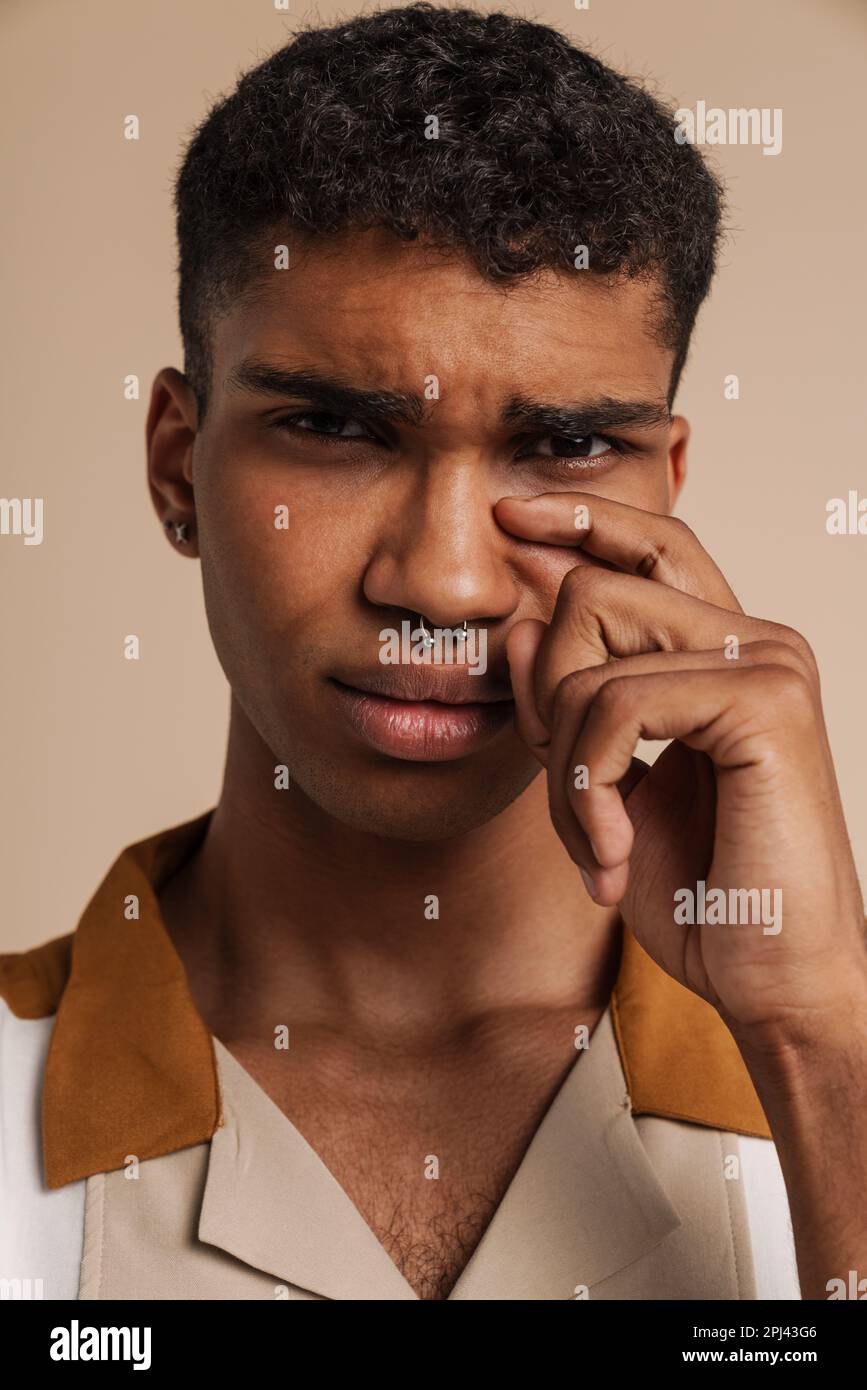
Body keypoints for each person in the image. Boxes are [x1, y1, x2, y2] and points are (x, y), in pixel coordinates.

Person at [2, 2, 866, 1303]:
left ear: (663, 486)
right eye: (339, 429)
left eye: (565, 444)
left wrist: (820, 1038)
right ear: (178, 464)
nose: (444, 580)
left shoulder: (831, 1048)